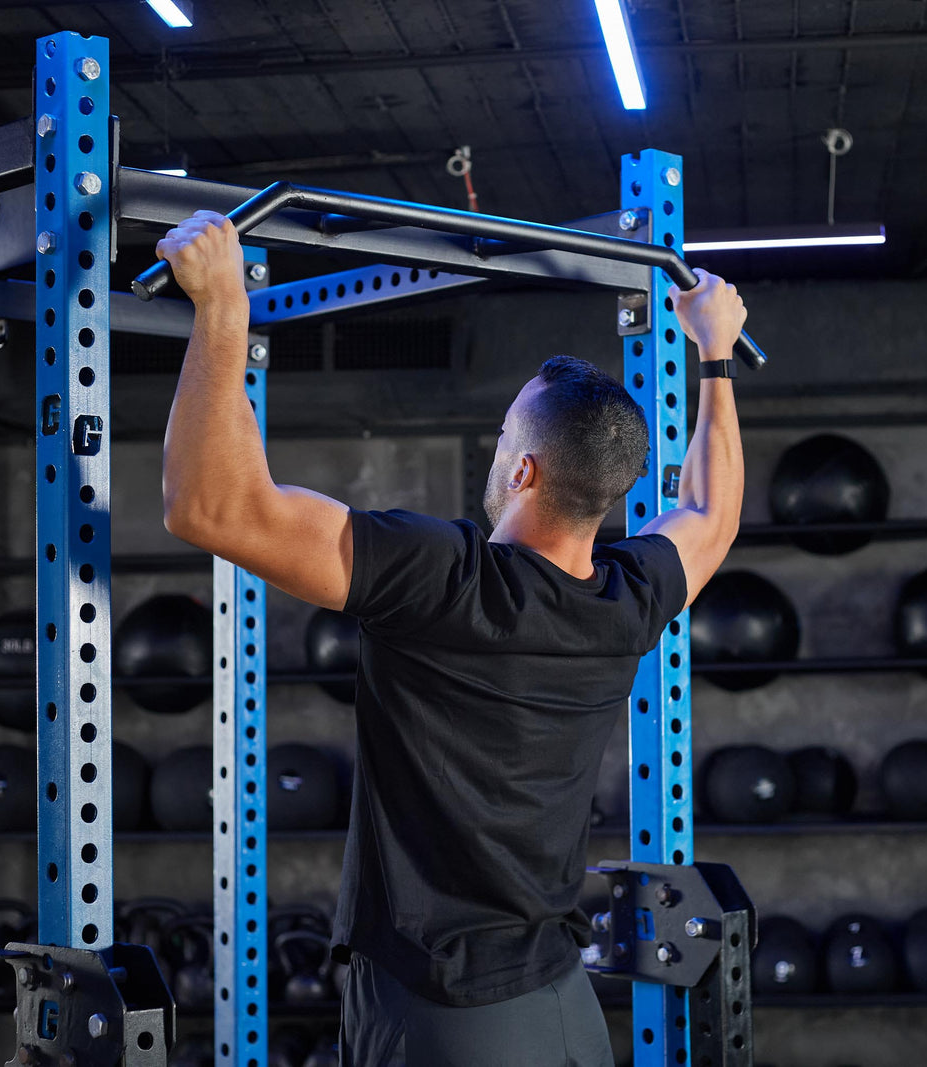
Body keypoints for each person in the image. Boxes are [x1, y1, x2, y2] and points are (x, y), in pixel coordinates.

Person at [157, 211, 746, 1067]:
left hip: (447, 1016)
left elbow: (208, 505)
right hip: (564, 1003)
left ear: (524, 471)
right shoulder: (627, 597)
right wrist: (716, 355)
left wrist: (220, 306)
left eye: (509, 433)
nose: (501, 446)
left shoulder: (445, 578)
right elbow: (713, 514)